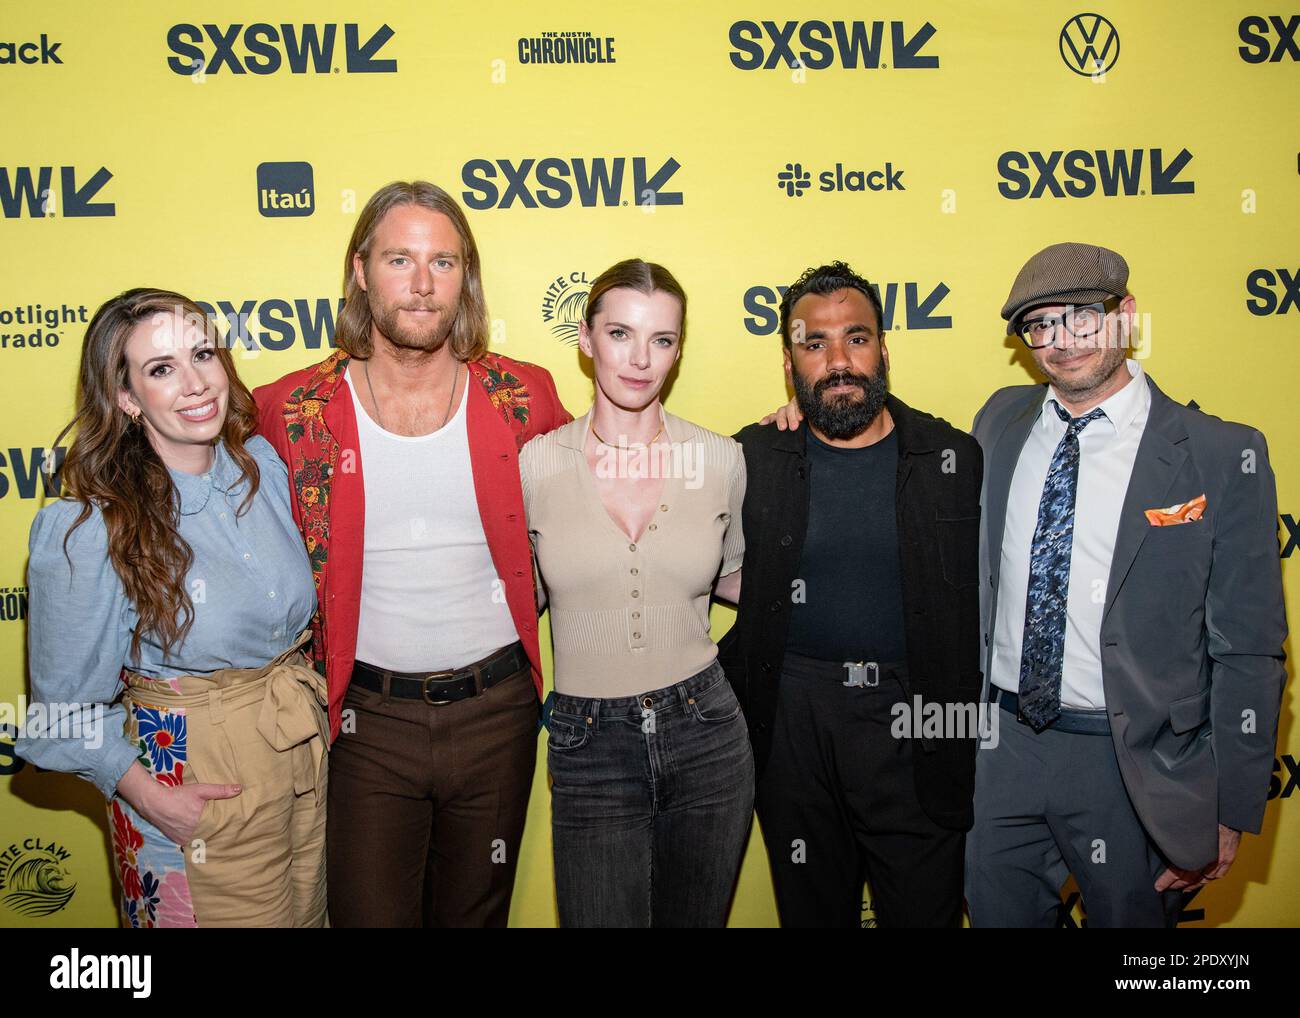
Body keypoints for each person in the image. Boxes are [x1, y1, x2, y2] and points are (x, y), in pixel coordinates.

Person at [253, 181, 571, 927]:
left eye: (444, 263)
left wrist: (787, 430)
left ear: (467, 277)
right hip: (364, 722)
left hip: (499, 713)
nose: (423, 285)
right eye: (401, 259)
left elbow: (602, 490)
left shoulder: (524, 397)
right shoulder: (290, 410)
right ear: (361, 270)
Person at [965, 242, 1287, 927]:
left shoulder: (1221, 453)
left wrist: (1229, 807)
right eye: (1040, 325)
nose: (1061, 342)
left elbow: (1250, 647)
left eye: (1082, 317)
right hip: (1002, 750)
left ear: (1126, 315)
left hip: (1135, 763)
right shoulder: (999, 421)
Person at [17, 288, 326, 927]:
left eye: (202, 355)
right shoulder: (88, 528)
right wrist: (152, 799)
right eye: (161, 369)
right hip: (188, 784)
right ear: (127, 398)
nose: (195, 383)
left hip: (300, 765)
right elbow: (62, 714)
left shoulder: (261, 467)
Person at [719, 261, 983, 927]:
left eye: (856, 339)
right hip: (791, 729)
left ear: (883, 349)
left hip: (918, 725)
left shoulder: (953, 459)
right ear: (790, 365)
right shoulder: (749, 458)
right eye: (815, 344)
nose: (839, 361)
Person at [520, 258, 753, 927]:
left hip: (707, 730)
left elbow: (738, 579)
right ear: (586, 340)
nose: (640, 359)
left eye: (661, 340)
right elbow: (515, 601)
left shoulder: (720, 459)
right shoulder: (537, 464)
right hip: (587, 742)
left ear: (679, 351)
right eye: (620, 334)